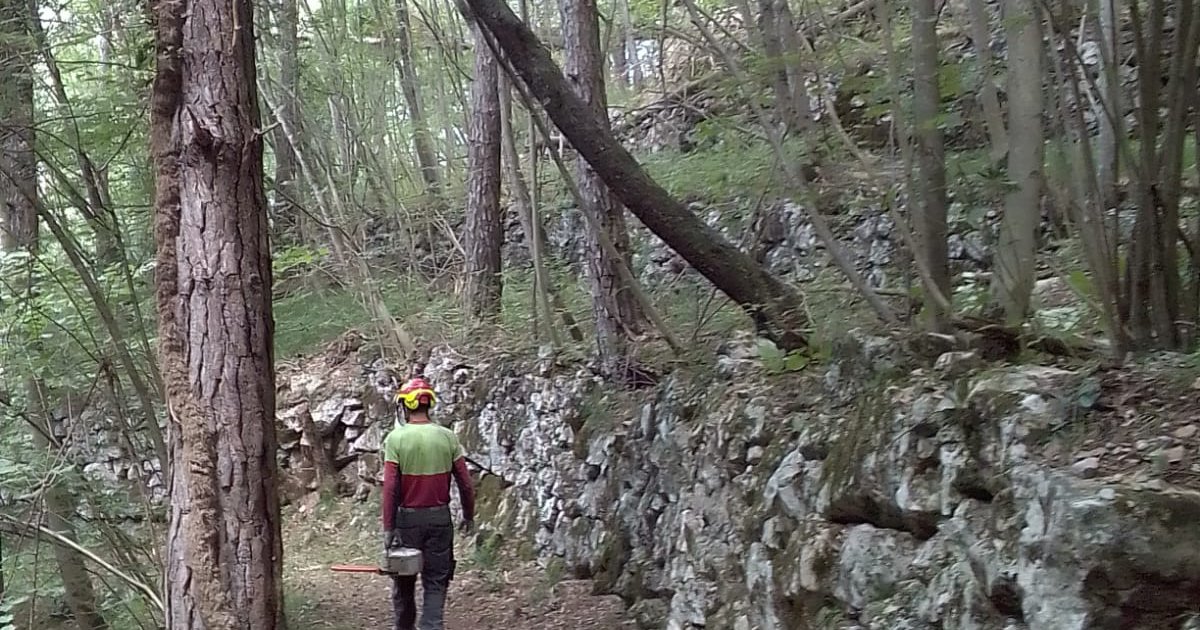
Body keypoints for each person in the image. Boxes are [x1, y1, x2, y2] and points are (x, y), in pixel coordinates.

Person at [381, 376, 476, 630]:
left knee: (404, 583)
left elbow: (390, 489)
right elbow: (465, 483)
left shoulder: (396, 439)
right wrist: (469, 515)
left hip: (407, 521)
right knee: (436, 582)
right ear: (428, 405)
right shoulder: (448, 437)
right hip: (439, 520)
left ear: (405, 406)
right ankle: (432, 626)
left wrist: (388, 527)